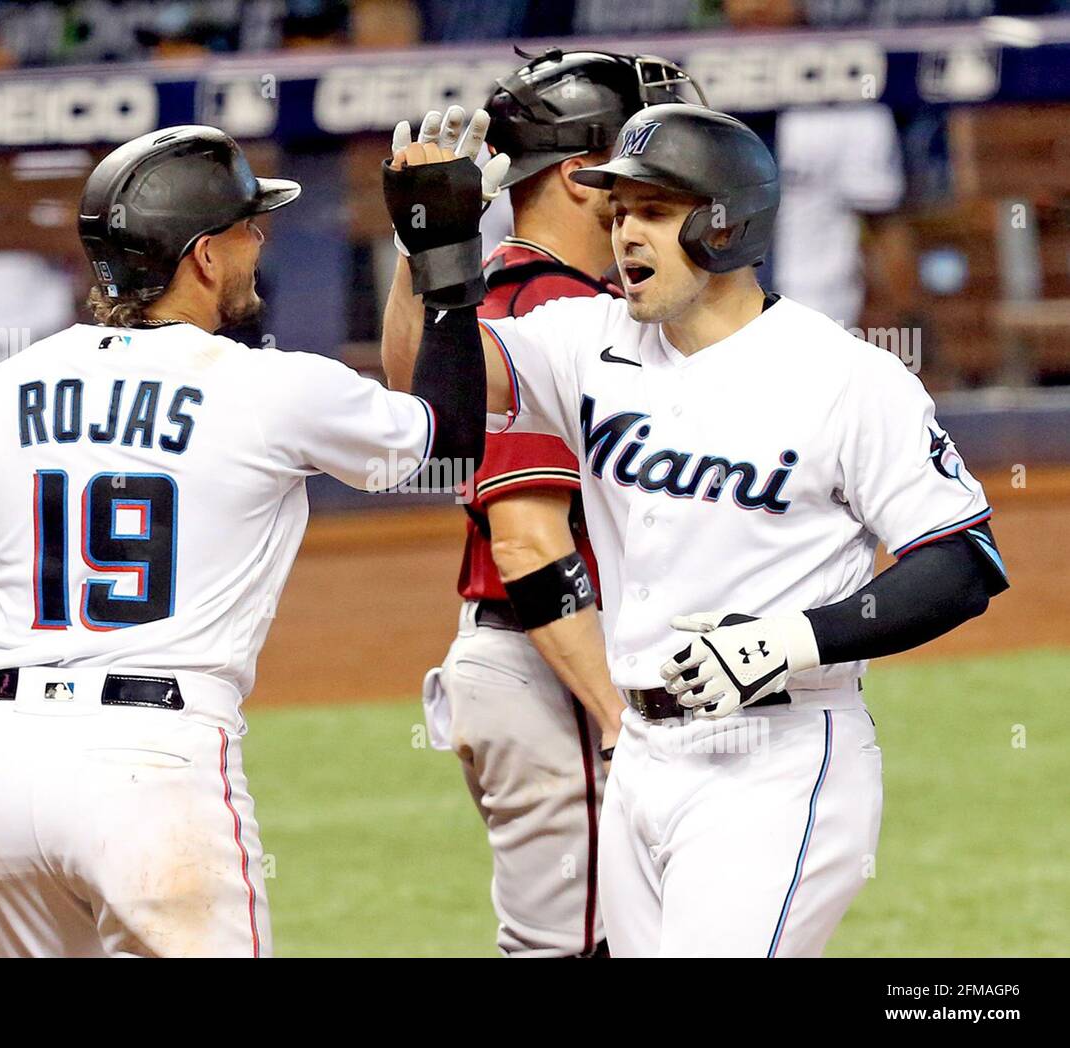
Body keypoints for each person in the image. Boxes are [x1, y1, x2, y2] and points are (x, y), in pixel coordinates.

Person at [382, 102, 1009, 956]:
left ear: (725, 224)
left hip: (777, 758)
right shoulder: (584, 341)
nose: (624, 234)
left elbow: (962, 562)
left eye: (653, 211)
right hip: (640, 758)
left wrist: (788, 640)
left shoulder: (842, 378)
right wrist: (436, 251)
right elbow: (444, 415)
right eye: (619, 211)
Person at [0, 122, 499, 957]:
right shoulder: (265, 387)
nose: (260, 243)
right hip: (151, 772)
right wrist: (447, 256)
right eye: (249, 228)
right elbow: (454, 439)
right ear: (204, 257)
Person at [391, 48, 702, 959]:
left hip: (539, 666)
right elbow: (528, 543)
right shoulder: (549, 311)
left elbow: (414, 387)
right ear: (578, 174)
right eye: (640, 152)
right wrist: (620, 720)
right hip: (552, 665)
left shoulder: (504, 292)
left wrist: (427, 256)